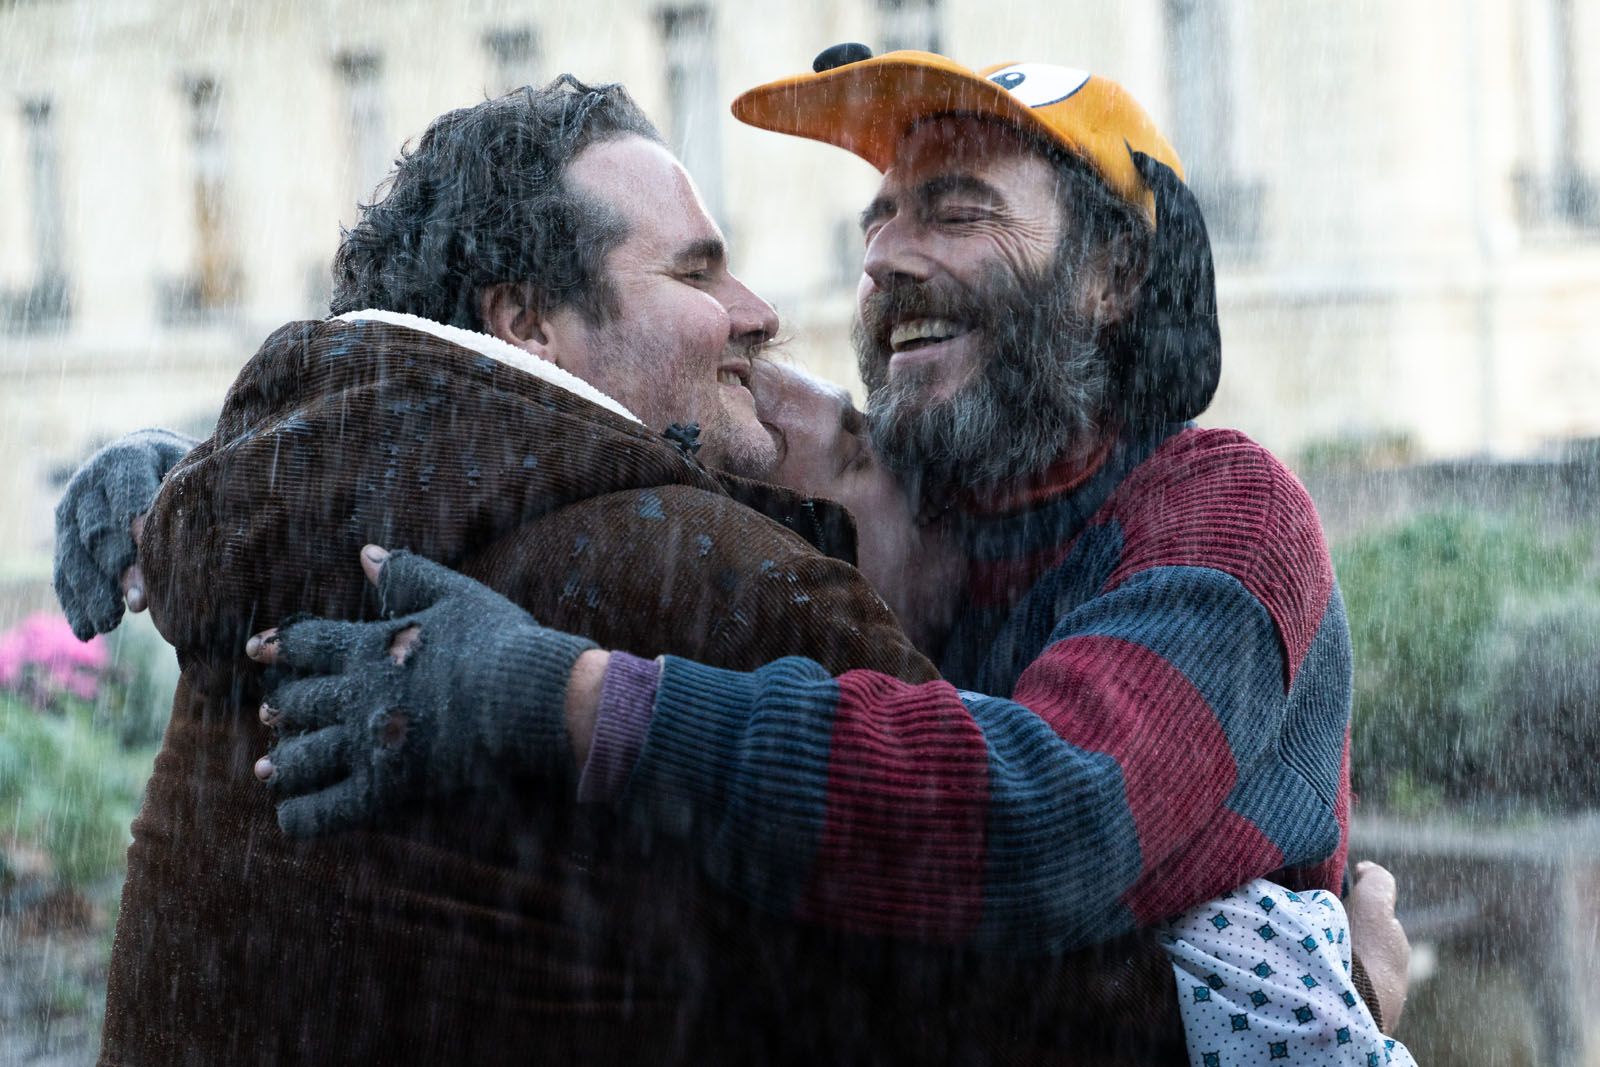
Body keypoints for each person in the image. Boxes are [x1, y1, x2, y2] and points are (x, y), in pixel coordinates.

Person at [52, 59, 1405, 1063]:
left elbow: (1049, 820)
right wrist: (199, 473)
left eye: (955, 210)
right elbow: (487, 417)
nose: (883, 260)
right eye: (879, 218)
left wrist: (554, 696)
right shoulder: (890, 500)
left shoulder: (1219, 512)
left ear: (1112, 276)